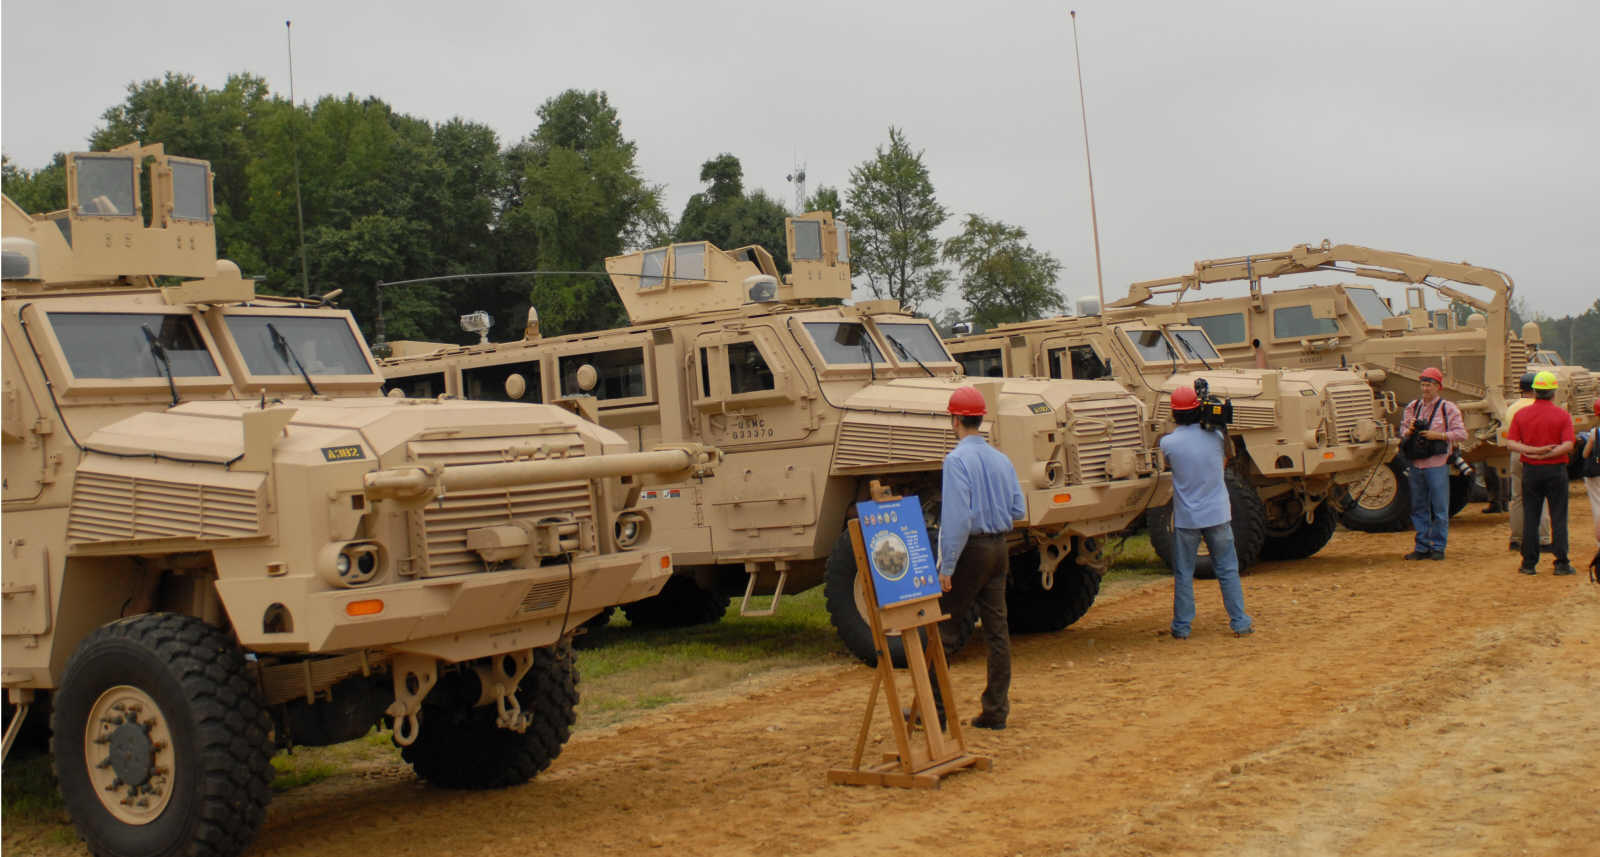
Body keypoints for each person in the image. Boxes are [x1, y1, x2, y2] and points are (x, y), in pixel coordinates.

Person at [936, 385, 1024, 730]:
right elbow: (1017, 509)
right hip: (1000, 548)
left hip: (971, 551)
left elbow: (957, 520)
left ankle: (935, 711)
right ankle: (996, 710)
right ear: (981, 419)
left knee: (944, 631)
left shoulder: (956, 460)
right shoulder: (1002, 459)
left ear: (956, 420)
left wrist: (947, 565)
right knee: (997, 632)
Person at [1159, 385, 1252, 639]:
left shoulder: (1168, 443)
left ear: (1174, 413)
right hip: (1218, 514)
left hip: (1187, 518)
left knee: (1184, 574)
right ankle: (1240, 623)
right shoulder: (1217, 437)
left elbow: (1167, 465)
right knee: (1228, 570)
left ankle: (1182, 627)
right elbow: (1227, 458)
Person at [1504, 371, 1576, 576]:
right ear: (1553, 392)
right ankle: (1561, 562)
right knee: (1558, 517)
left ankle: (1529, 563)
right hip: (1555, 470)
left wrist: (1532, 452)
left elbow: (1511, 443)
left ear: (1534, 391)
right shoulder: (1562, 415)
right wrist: (1548, 453)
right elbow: (1568, 444)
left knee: (1531, 516)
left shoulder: (1521, 414)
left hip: (1531, 470)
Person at [1398, 367, 1467, 560]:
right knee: (1418, 507)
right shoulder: (1413, 407)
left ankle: (1438, 547)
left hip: (1437, 464)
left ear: (1438, 387)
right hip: (1416, 463)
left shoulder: (1448, 408)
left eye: (1429, 385)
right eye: (1423, 384)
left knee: (1440, 508)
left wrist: (1439, 436)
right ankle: (1422, 547)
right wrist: (1409, 431)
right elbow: (1403, 431)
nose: (1425, 389)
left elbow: (1461, 434)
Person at [1503, 371, 1552, 552]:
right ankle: (1543, 538)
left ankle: (1517, 538)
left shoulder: (1511, 408)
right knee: (1541, 495)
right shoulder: (1538, 406)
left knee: (1517, 497)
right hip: (1537, 453)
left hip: (1517, 452)